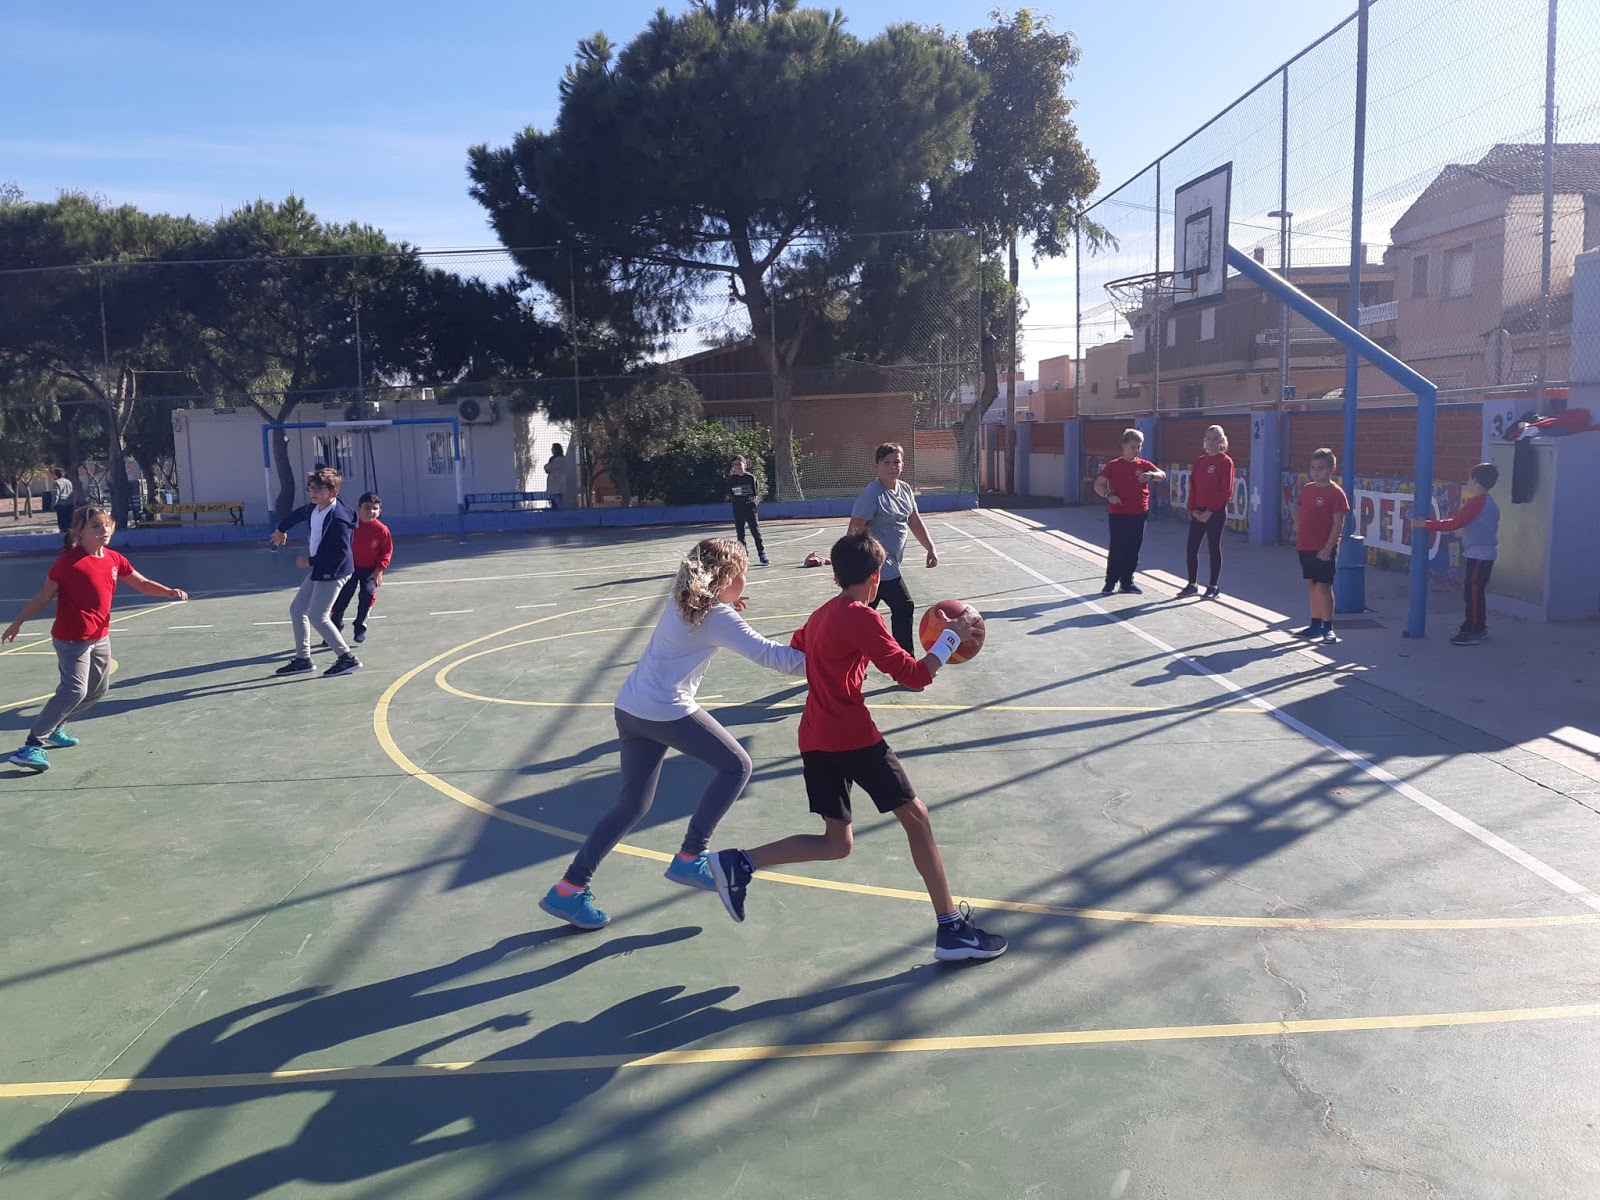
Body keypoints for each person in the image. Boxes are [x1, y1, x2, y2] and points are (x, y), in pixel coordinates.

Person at [709, 530, 1007, 962]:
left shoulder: (822, 614)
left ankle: (739, 862)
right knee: (917, 818)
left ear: (836, 575)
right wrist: (950, 639)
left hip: (814, 736)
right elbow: (915, 677)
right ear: (876, 575)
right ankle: (952, 932)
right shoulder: (862, 616)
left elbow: (798, 647)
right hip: (851, 735)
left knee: (837, 844)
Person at [539, 537, 807, 930]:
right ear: (727, 576)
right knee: (736, 766)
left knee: (631, 805)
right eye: (744, 575)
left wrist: (727, 607)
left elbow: (703, 626)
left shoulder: (683, 602)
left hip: (630, 707)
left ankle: (568, 889)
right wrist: (830, 658)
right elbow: (776, 658)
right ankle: (690, 856)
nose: (747, 583)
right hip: (665, 710)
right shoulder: (717, 617)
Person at [3, 505, 189, 773]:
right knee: (74, 690)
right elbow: (44, 597)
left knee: (99, 690)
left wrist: (168, 591)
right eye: (96, 527)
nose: (104, 531)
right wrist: (18, 622)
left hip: (100, 636)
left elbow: (141, 583)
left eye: (107, 525)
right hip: (71, 640)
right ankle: (31, 746)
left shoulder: (114, 559)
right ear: (79, 532)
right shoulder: (68, 563)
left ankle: (55, 728)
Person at [270, 466, 361, 678]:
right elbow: (298, 514)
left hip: (334, 571)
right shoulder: (315, 507)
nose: (313, 492)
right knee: (297, 609)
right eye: (311, 488)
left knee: (318, 616)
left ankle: (347, 658)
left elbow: (339, 554)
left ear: (333, 492)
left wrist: (310, 561)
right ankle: (303, 659)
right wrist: (282, 529)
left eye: (319, 489)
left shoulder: (338, 520)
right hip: (322, 568)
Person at [848, 442, 937, 654]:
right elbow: (854, 529)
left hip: (889, 566)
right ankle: (905, 661)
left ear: (902, 465)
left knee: (862, 616)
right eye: (886, 462)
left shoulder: (905, 489)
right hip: (874, 567)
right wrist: (853, 567)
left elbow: (914, 520)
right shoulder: (871, 495)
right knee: (903, 606)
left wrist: (930, 547)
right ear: (876, 466)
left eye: (896, 462)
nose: (892, 467)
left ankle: (848, 657)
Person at [1418, 462, 1500, 646]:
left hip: (1479, 554)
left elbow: (1456, 523)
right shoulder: (1489, 502)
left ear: (1476, 481)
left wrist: (1427, 524)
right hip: (1482, 553)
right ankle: (1475, 625)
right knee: (1474, 592)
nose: (1467, 483)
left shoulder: (1477, 502)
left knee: (1472, 593)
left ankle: (1474, 629)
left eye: (1469, 479)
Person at [1093, 429, 1166, 595]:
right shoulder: (1114, 465)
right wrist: (1108, 495)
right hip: (1119, 513)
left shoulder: (1144, 465)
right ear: (1124, 446)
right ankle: (1110, 581)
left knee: (1133, 549)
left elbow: (1162, 475)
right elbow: (1099, 485)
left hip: (1139, 513)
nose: (1136, 450)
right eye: (1133, 446)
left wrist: (1151, 475)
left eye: (1139, 447)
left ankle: (1127, 582)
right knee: (1118, 547)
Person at [1294, 447, 1350, 645]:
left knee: (1324, 586)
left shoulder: (1336, 493)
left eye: (1321, 468)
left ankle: (1328, 626)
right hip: (1305, 545)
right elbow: (1299, 509)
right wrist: (1298, 525)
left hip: (1323, 548)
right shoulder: (1308, 488)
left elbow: (1338, 523)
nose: (1316, 472)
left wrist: (1328, 548)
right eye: (1313, 468)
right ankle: (1315, 623)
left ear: (1332, 469)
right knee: (1312, 584)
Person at [1178, 425, 1236, 599]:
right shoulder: (1200, 461)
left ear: (1221, 441)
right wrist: (1192, 509)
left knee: (1213, 547)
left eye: (1214, 439)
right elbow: (1193, 487)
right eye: (1208, 438)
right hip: (1198, 511)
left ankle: (1213, 586)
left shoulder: (1226, 462)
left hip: (1215, 513)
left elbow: (1225, 491)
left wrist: (1210, 511)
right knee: (1191, 548)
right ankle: (1191, 584)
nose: (1210, 442)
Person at [328, 491, 392, 646]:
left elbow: (386, 552)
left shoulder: (382, 530)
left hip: (370, 570)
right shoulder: (350, 525)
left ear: (379, 511)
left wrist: (379, 570)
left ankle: (360, 627)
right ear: (359, 508)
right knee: (342, 597)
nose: (370, 511)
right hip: (349, 568)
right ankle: (334, 627)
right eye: (367, 507)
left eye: (375, 509)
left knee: (368, 594)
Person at [727, 455, 768, 565]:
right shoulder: (731, 480)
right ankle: (744, 557)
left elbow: (755, 495)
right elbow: (731, 495)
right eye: (735, 465)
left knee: (756, 532)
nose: (737, 467)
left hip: (750, 509)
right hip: (738, 509)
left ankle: (762, 554)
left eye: (739, 464)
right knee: (741, 535)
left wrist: (753, 506)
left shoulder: (750, 478)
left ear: (745, 465)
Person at [544, 443, 578, 511]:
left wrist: (546, 466)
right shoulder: (558, 459)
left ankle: (561, 514)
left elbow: (549, 467)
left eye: (553, 448)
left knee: (558, 501)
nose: (551, 450)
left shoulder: (558, 459)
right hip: (557, 484)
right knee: (556, 500)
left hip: (557, 484)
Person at [50, 468, 75, 534]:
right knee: (69, 522)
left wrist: (53, 505)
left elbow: (56, 495)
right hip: (70, 504)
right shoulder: (68, 482)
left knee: (62, 523)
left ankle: (63, 536)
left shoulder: (56, 482)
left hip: (61, 505)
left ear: (55, 475)